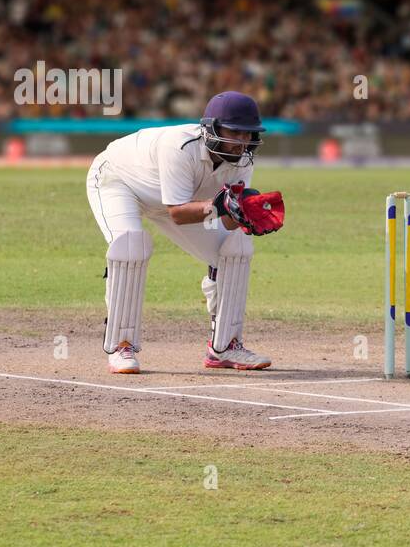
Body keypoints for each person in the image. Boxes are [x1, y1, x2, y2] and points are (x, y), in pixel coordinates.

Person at [85, 91, 284, 374]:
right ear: (212, 128)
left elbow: (225, 221)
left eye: (247, 134)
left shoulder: (243, 161)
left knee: (235, 247)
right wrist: (219, 208)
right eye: (235, 132)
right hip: (118, 181)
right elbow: (178, 213)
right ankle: (121, 346)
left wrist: (244, 216)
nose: (242, 142)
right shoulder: (180, 147)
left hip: (179, 200)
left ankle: (225, 346)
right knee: (131, 246)